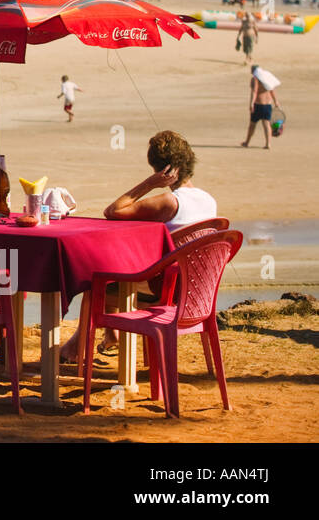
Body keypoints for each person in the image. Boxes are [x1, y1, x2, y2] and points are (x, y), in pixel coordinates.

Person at [60, 130, 216, 362]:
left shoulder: (170, 203)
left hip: (167, 291)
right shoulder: (209, 200)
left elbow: (113, 211)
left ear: (161, 169)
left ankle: (75, 348)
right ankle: (111, 335)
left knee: (97, 286)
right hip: (197, 292)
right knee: (115, 273)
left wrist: (150, 184)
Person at [242, 66, 281, 149]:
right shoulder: (266, 79)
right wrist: (276, 101)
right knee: (266, 124)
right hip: (268, 105)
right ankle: (268, 144)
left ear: (253, 71)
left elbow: (254, 91)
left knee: (252, 125)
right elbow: (272, 90)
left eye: (251, 70)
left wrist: (251, 104)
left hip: (258, 105)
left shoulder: (255, 79)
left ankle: (246, 143)